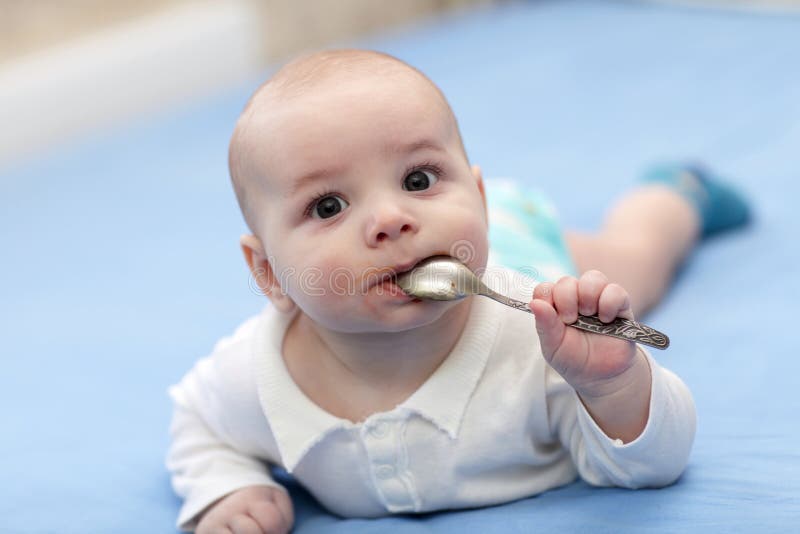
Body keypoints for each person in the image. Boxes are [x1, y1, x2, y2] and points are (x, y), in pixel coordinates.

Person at [166, 49, 750, 533]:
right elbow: (197, 425)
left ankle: (675, 193)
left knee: (637, 259)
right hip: (468, 244)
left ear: (478, 200)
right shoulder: (256, 376)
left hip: (526, 251)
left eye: (418, 180)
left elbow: (657, 463)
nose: (390, 218)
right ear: (268, 272)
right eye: (328, 206)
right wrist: (227, 486)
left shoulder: (545, 339)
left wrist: (612, 384)